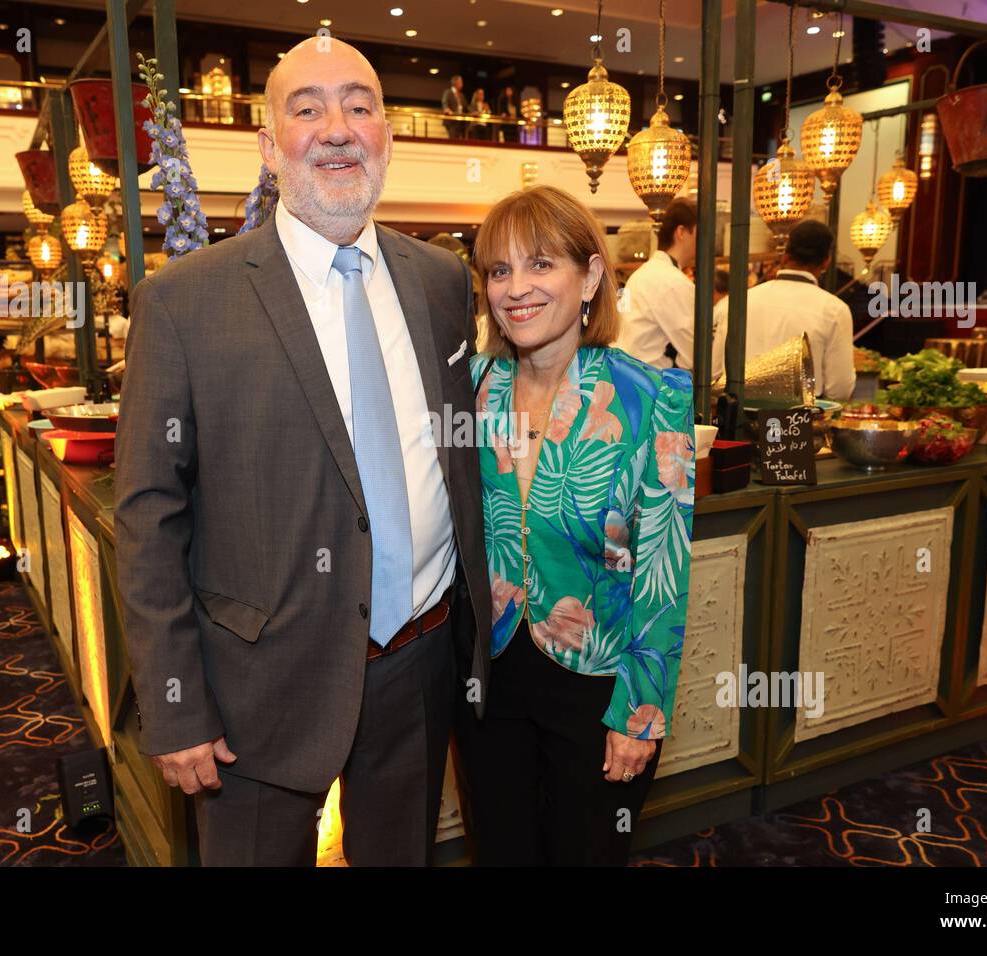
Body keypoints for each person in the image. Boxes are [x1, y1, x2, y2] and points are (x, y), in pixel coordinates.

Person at [115, 36, 492, 867]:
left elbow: (457, 460)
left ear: (387, 134)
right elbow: (148, 517)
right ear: (266, 145)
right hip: (256, 687)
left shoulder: (440, 282)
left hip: (420, 663)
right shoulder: (183, 303)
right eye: (307, 107)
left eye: (360, 105)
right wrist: (174, 704)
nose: (337, 128)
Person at [453, 184, 696, 866]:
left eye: (540, 264)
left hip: (599, 688)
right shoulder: (469, 388)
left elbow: (663, 571)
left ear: (589, 275)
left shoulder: (653, 398)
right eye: (498, 270)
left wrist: (641, 713)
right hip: (487, 680)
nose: (516, 288)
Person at [714, 219, 855, 400]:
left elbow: (715, 372)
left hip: (738, 418)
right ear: (826, 262)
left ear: (785, 256)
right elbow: (840, 389)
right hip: (800, 423)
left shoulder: (736, 302)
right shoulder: (834, 310)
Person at [617, 197, 723, 380]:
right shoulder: (672, 282)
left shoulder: (639, 275)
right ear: (681, 232)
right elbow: (698, 355)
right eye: (700, 232)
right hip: (652, 388)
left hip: (626, 380)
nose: (705, 240)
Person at [441, 74, 467, 139]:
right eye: (461, 82)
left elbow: (466, 107)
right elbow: (445, 102)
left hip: (460, 121)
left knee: (459, 140)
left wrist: (474, 112)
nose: (462, 84)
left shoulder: (461, 95)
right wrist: (447, 109)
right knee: (452, 139)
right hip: (451, 121)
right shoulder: (448, 92)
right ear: (456, 83)